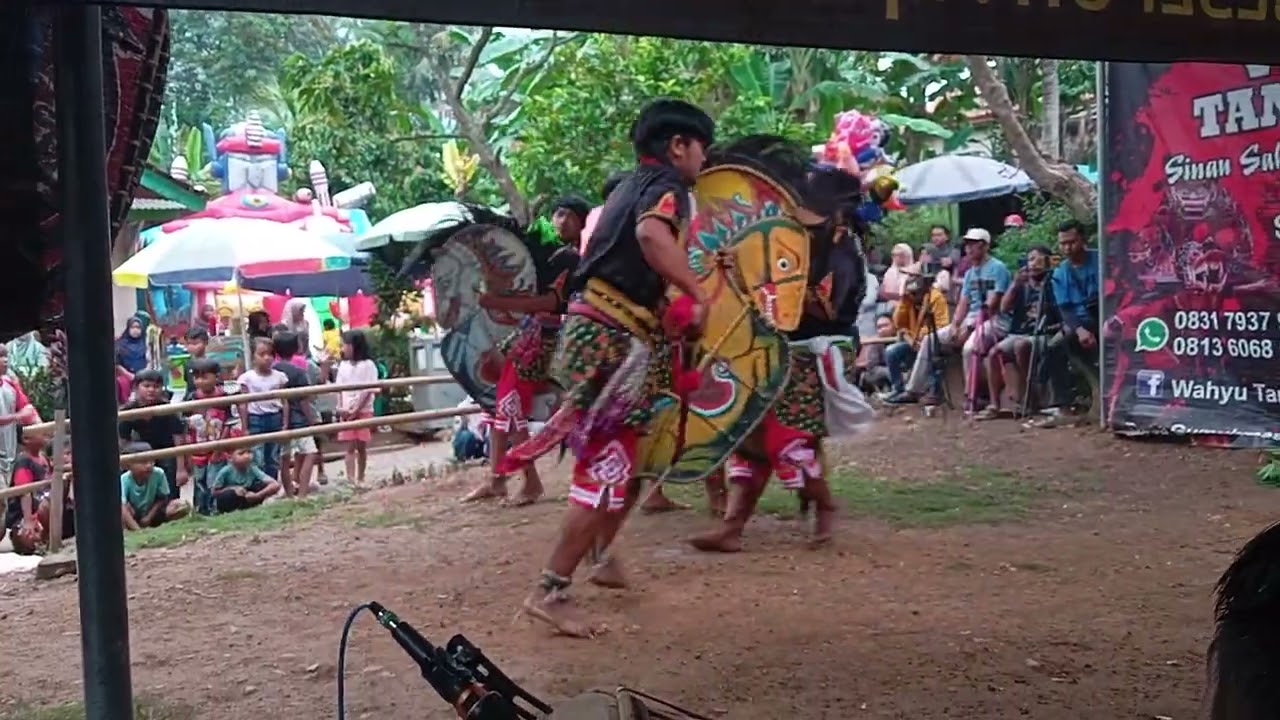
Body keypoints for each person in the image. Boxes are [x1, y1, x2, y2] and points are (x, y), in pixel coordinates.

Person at [496, 98, 714, 637]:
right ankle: (550, 588)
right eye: (701, 148)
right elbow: (649, 237)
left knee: (626, 461)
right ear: (678, 146)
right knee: (608, 468)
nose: (704, 160)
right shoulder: (668, 189)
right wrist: (696, 290)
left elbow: (631, 263)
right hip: (611, 344)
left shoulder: (626, 189)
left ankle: (602, 556)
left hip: (607, 336)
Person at [690, 169, 873, 553]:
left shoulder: (843, 248)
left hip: (816, 349)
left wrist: (771, 288)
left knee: (787, 439)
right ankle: (732, 528)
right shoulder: (789, 238)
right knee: (749, 437)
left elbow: (828, 308)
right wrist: (734, 271)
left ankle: (823, 506)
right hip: (778, 347)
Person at [462, 196, 586, 506]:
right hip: (529, 335)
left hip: (543, 339)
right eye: (558, 214)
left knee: (510, 405)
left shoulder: (569, 259)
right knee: (500, 407)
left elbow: (549, 304)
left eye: (569, 216)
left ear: (582, 222)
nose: (561, 220)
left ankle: (528, 481)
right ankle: (498, 479)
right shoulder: (551, 256)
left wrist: (498, 303)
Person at [887, 228, 1010, 407]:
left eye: (973, 245)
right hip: (972, 318)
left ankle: (972, 396)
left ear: (984, 246)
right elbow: (963, 302)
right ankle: (913, 390)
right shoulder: (970, 273)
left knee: (969, 347)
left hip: (994, 319)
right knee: (931, 339)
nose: (968, 249)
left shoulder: (998, 268)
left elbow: (993, 304)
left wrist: (968, 328)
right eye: (967, 245)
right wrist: (955, 325)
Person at [980, 246, 1059, 420]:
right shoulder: (1021, 282)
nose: (1034, 264)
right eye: (1031, 259)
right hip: (1020, 331)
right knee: (994, 353)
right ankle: (994, 405)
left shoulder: (1054, 280)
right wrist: (1015, 284)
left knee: (1021, 346)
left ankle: (1030, 399)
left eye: (1039, 260)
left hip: (1044, 332)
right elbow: (1004, 307)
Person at [884, 266, 951, 402]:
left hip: (932, 341)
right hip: (912, 341)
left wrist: (921, 337)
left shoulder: (936, 298)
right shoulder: (908, 299)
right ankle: (898, 389)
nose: (914, 296)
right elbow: (899, 324)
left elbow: (942, 324)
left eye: (917, 293)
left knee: (931, 349)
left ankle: (932, 391)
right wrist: (903, 300)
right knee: (891, 351)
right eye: (912, 293)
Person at [118, 369, 187, 500]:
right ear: (136, 388)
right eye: (146, 386)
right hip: (141, 453)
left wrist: (181, 469)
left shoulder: (168, 409)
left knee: (170, 488)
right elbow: (123, 442)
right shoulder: (127, 411)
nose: (151, 390)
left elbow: (178, 440)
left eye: (156, 386)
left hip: (167, 453)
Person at [3, 429, 73, 555]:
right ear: (26, 439)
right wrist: (28, 521)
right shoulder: (24, 461)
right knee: (29, 535)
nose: (45, 431)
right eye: (38, 428)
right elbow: (25, 491)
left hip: (49, 508)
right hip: (28, 515)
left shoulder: (43, 459)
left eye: (70, 454)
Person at [186, 358, 240, 516]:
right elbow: (186, 424)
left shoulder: (224, 396)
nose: (200, 381)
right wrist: (189, 446)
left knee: (215, 479)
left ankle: (215, 508)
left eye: (205, 377)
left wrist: (221, 444)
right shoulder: (191, 398)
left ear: (216, 377)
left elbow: (229, 422)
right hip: (198, 447)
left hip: (218, 446)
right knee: (199, 479)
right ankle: (200, 511)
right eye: (196, 377)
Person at [273, 330, 322, 497]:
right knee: (310, 453)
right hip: (299, 419)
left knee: (284, 458)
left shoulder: (273, 369)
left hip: (279, 420)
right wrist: (311, 420)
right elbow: (304, 400)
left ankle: (288, 492)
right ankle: (302, 493)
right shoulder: (299, 372)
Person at [237, 338, 289, 481]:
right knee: (257, 455)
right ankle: (260, 486)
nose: (267, 358)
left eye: (270, 354)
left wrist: (284, 424)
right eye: (262, 354)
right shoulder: (246, 378)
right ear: (253, 356)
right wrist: (245, 427)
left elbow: (284, 401)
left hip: (275, 417)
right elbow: (243, 404)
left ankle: (272, 485)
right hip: (256, 419)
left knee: (273, 456)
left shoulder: (279, 377)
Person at [334, 330, 378, 483]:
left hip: (363, 409)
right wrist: (340, 407)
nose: (343, 348)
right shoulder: (343, 366)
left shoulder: (368, 365)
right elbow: (338, 387)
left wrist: (357, 409)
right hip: (346, 409)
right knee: (349, 446)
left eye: (346, 345)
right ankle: (351, 479)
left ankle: (361, 477)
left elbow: (369, 389)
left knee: (361, 445)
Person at [1050, 219, 1100, 355]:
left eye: (1072, 242)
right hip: (1080, 321)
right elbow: (1065, 308)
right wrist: (1079, 330)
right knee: (1054, 347)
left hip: (1106, 316)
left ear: (1083, 240)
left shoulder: (1101, 258)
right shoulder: (1059, 271)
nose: (1067, 248)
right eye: (1063, 244)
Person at [120, 442, 190, 530]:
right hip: (134, 515)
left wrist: (149, 516)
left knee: (181, 505)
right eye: (143, 462)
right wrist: (137, 529)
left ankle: (168, 528)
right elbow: (122, 505)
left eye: (151, 461)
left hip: (153, 512)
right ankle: (133, 531)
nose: (149, 465)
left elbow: (162, 498)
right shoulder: (124, 479)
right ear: (128, 465)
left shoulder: (158, 473)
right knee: (121, 509)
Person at [0, 345, 40, 492]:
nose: (5, 360)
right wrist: (17, 417)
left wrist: (43, 432)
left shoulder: (9, 384)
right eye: (0, 356)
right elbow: (21, 414)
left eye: (5, 356)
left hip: (10, 454)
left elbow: (28, 409)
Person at [212, 446, 281, 513]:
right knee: (229, 495)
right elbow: (214, 492)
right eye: (241, 453)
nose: (247, 456)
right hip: (231, 499)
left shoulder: (253, 469)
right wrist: (233, 488)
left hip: (247, 496)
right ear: (230, 458)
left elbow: (274, 484)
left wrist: (257, 495)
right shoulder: (225, 471)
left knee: (263, 486)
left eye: (249, 452)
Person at [115, 315, 149, 381]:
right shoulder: (120, 344)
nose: (135, 330)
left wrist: (145, 373)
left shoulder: (145, 343)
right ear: (128, 328)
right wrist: (128, 375)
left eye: (138, 327)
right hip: (126, 378)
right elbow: (117, 363)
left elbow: (149, 360)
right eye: (133, 327)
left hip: (144, 377)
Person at [181, 326, 210, 399]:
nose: (191, 347)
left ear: (206, 342)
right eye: (188, 344)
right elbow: (189, 387)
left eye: (195, 344)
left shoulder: (211, 364)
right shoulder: (187, 364)